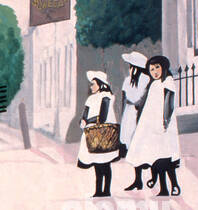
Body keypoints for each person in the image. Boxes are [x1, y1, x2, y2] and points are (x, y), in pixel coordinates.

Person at [125, 55, 182, 197]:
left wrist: (165, 121)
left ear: (163, 68)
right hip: (150, 125)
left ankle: (174, 184)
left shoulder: (167, 82)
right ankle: (163, 188)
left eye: (157, 67)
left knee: (166, 156)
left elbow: (169, 102)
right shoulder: (153, 84)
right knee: (157, 157)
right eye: (152, 69)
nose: (155, 71)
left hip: (163, 126)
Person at [77, 70, 119, 197]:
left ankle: (106, 190)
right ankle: (98, 190)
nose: (91, 87)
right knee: (96, 163)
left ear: (101, 84)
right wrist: (83, 120)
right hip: (91, 133)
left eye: (93, 84)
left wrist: (89, 121)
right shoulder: (90, 99)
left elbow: (103, 116)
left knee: (104, 163)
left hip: (102, 132)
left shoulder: (106, 96)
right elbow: (85, 113)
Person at [119, 51, 150, 191]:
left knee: (140, 144)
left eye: (131, 66)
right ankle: (137, 179)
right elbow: (124, 99)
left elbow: (144, 99)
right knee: (131, 144)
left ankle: (149, 176)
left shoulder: (145, 80)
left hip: (139, 113)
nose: (130, 69)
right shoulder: (127, 80)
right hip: (129, 113)